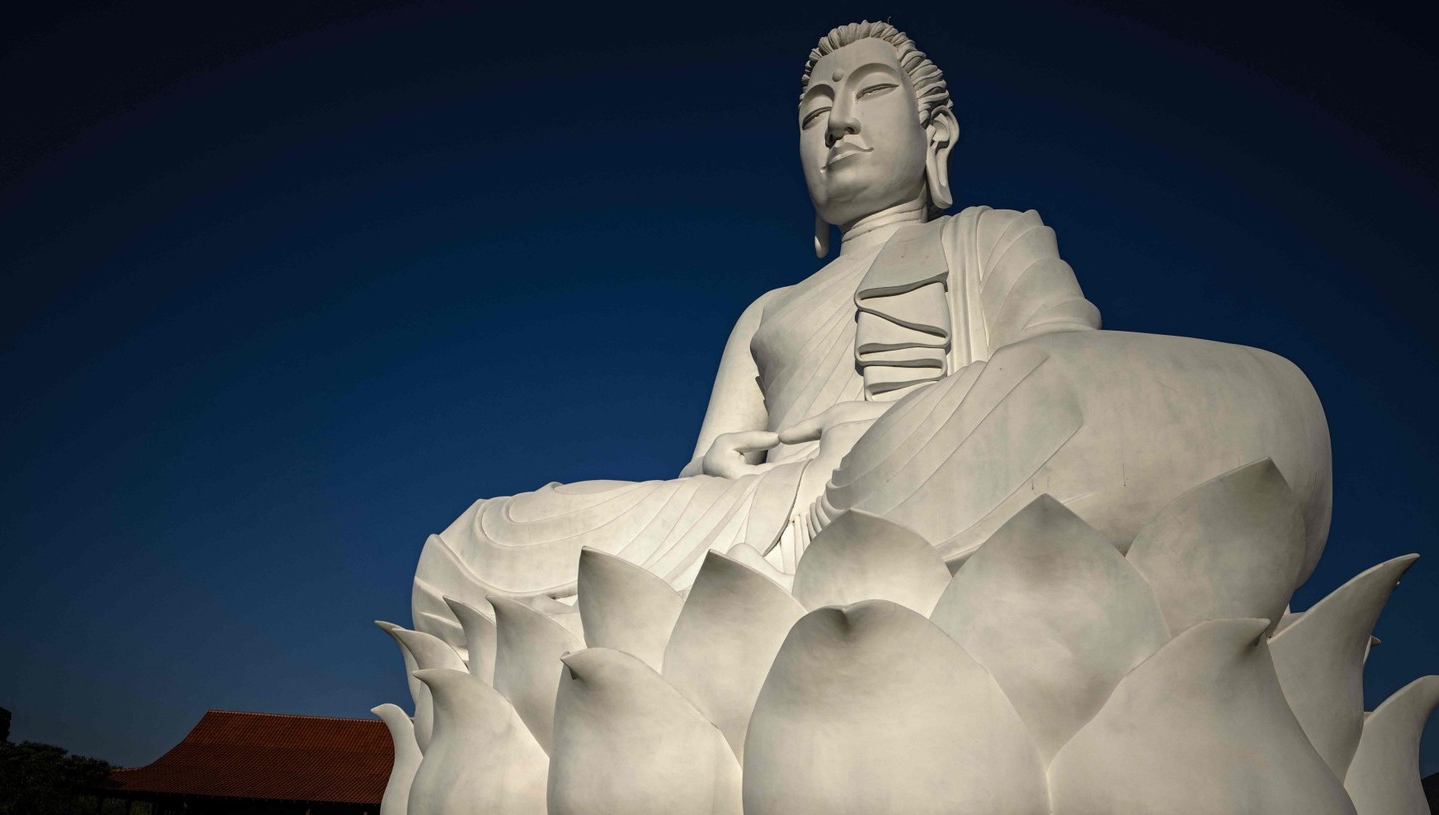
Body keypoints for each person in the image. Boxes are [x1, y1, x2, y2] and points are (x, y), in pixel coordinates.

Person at [406, 19, 1330, 650]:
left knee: (1192, 403)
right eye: (813, 113)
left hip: (922, 474)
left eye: (865, 95)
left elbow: (1065, 376)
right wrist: (725, 463)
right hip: (770, 520)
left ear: (936, 133)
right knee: (471, 546)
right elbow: (695, 477)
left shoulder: (993, 236)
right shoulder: (768, 310)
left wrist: (913, 429)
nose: (836, 122)